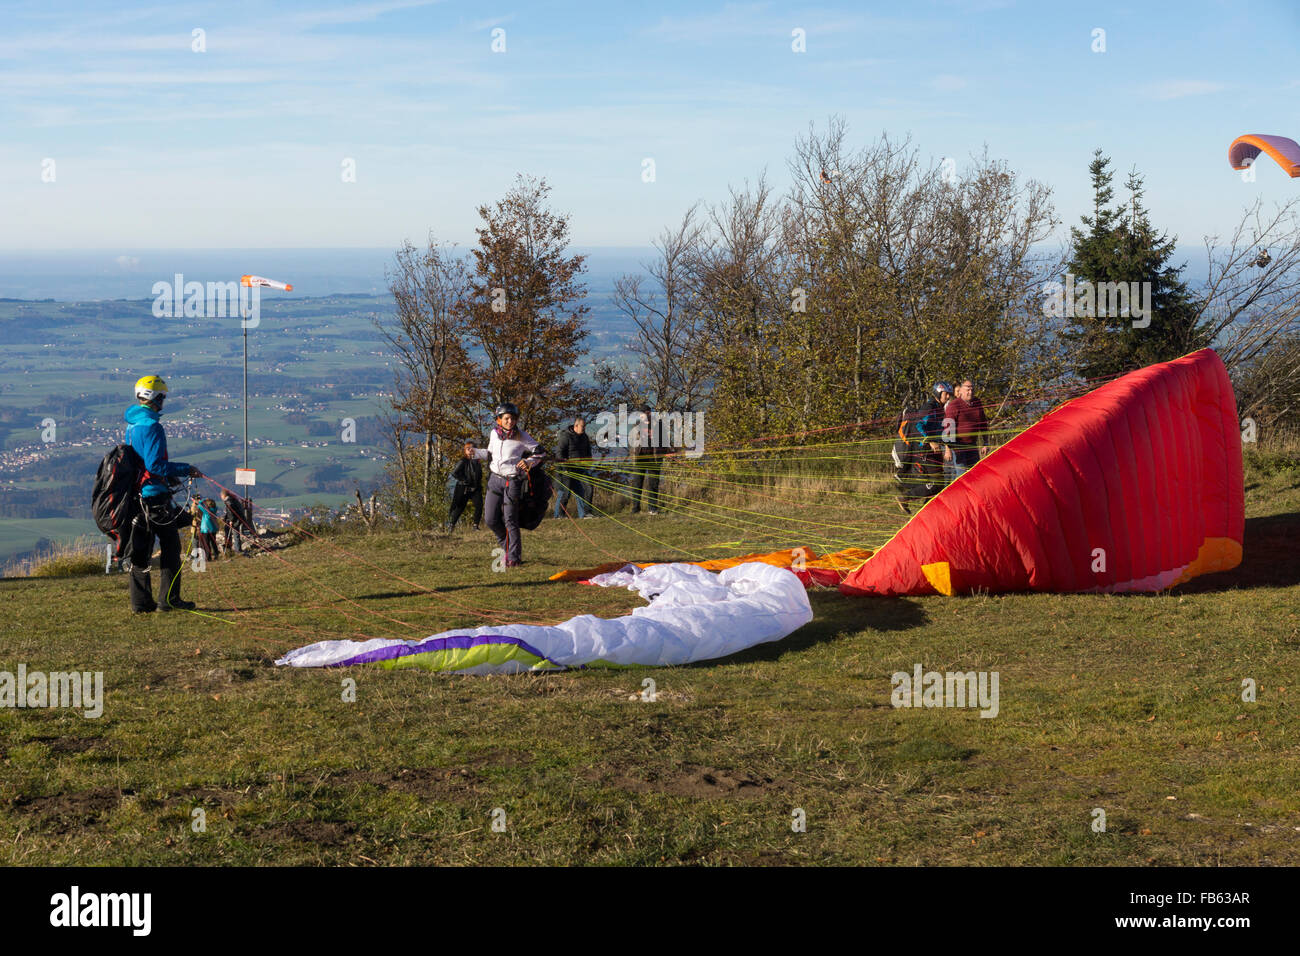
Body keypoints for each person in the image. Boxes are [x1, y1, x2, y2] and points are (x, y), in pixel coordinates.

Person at [123, 375, 200, 612]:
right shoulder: (152, 426)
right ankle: (169, 600)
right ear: (154, 397)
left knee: (141, 551)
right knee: (170, 548)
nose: (164, 400)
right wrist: (185, 469)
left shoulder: (132, 425)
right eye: (162, 396)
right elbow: (155, 465)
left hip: (137, 495)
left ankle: (140, 603)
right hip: (155, 496)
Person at [470, 403, 545, 568]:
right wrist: (474, 452)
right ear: (499, 420)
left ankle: (514, 558)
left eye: (513, 419)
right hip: (494, 480)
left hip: (512, 480)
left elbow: (540, 452)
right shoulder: (493, 434)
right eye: (506, 418)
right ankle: (508, 548)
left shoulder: (522, 436)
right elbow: (490, 454)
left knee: (510, 519)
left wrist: (528, 461)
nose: (510, 421)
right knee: (490, 519)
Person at [895, 382, 951, 514]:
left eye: (949, 394)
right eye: (946, 394)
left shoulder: (939, 407)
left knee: (938, 485)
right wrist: (931, 441)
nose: (948, 397)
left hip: (934, 450)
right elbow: (918, 425)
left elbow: (938, 428)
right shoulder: (929, 406)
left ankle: (923, 512)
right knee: (937, 483)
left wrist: (946, 444)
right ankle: (905, 498)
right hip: (925, 450)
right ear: (938, 393)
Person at [944, 379, 990, 479]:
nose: (970, 392)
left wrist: (986, 443)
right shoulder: (954, 405)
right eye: (967, 389)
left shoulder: (977, 403)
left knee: (975, 473)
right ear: (960, 391)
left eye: (972, 389)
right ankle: (957, 494)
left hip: (972, 445)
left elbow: (983, 424)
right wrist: (948, 449)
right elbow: (947, 428)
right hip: (958, 446)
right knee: (961, 476)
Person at [628, 409, 669, 515]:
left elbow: (665, 441)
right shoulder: (637, 426)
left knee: (653, 484)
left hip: (654, 458)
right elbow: (631, 442)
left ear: (649, 413)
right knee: (637, 483)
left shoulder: (659, 425)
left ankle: (652, 508)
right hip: (640, 458)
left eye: (645, 414)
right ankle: (636, 508)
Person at [554, 416, 595, 519]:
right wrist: (565, 465)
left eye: (585, 426)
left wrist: (589, 461)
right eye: (583, 426)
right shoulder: (565, 436)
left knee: (588, 487)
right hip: (566, 469)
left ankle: (586, 512)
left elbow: (588, 451)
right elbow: (559, 453)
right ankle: (559, 514)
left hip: (580, 468)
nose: (584, 428)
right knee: (565, 492)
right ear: (576, 426)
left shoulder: (584, 437)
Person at [447, 441, 484, 532]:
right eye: (468, 448)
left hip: (475, 488)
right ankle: (451, 525)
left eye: (472, 448)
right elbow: (454, 473)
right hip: (464, 488)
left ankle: (475, 526)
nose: (470, 450)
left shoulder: (477, 461)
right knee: (460, 507)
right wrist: (465, 480)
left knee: (479, 505)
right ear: (465, 451)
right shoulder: (463, 461)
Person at [221, 489, 253, 555]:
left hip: (234, 520)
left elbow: (230, 512)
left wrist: (231, 520)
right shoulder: (233, 499)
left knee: (234, 533)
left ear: (223, 495)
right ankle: (236, 548)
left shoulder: (229, 501)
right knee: (235, 533)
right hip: (238, 518)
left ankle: (235, 549)